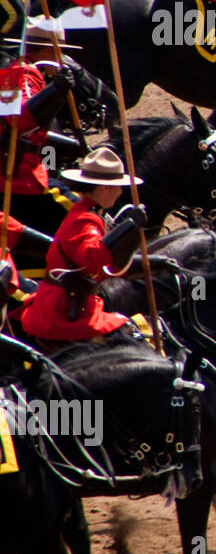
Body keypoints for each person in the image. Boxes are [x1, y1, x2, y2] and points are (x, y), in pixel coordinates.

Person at [18, 148, 148, 348]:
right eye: (118, 187)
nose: (121, 192)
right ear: (104, 189)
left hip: (73, 305)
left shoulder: (87, 212)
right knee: (133, 342)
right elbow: (92, 258)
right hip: (63, 313)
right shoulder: (85, 220)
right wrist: (129, 229)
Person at [0, 24, 82, 235]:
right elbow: (22, 120)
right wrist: (57, 90)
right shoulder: (26, 72)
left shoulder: (8, 68)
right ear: (47, 51)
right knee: (86, 215)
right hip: (20, 179)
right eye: (59, 51)